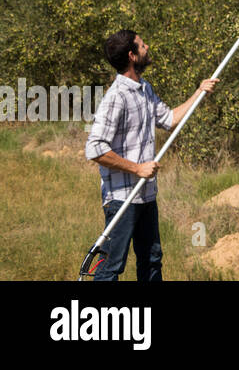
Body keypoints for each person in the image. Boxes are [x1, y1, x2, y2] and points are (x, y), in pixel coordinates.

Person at [84, 29, 217, 281]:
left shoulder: (144, 89)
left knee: (152, 261)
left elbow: (169, 119)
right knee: (111, 267)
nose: (148, 47)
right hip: (122, 198)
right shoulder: (116, 97)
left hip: (146, 196)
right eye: (142, 45)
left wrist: (199, 92)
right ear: (132, 56)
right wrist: (137, 168)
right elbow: (95, 148)